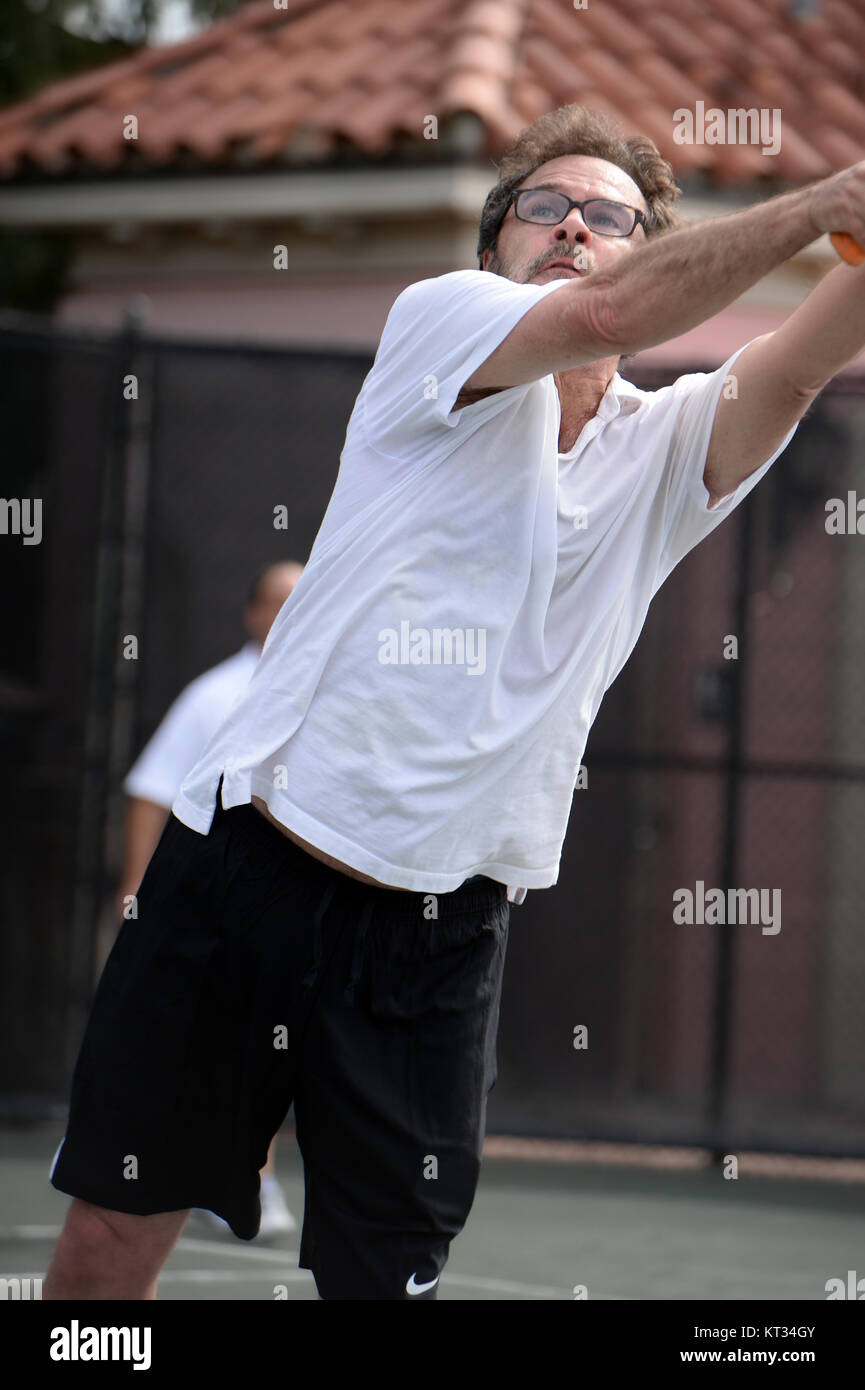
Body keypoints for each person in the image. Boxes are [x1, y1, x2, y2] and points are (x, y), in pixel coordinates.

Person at [43, 103, 865, 1301]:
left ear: (652, 243)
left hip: (441, 935)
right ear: (495, 253)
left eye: (608, 215)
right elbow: (607, 313)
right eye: (544, 206)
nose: (573, 227)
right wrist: (822, 202)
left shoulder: (664, 450)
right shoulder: (442, 324)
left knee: (387, 1285)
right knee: (109, 1247)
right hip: (250, 872)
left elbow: (791, 369)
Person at [118, 559, 305, 1238]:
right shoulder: (213, 695)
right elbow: (151, 788)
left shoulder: (333, 689)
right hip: (196, 910)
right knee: (166, 1045)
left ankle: (254, 1179)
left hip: (283, 917)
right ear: (252, 615)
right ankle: (115, 1157)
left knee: (269, 1045)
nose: (289, 614)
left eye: (301, 600)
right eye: (276, 603)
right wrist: (135, 886)